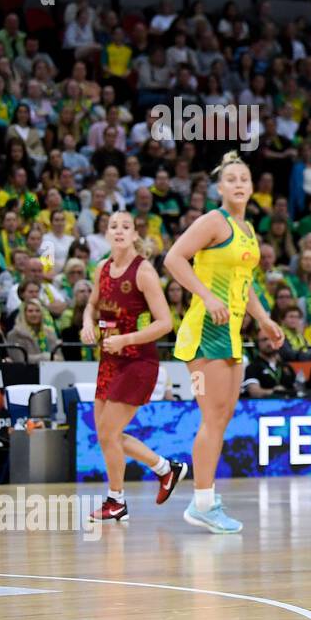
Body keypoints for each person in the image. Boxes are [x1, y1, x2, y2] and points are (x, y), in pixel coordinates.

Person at [165, 151, 284, 533]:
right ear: (219, 187)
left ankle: (206, 499)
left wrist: (263, 319)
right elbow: (174, 259)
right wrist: (206, 295)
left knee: (222, 417)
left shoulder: (248, 230)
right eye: (231, 179)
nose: (239, 184)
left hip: (231, 333)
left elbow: (245, 285)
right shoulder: (212, 221)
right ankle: (202, 502)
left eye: (244, 179)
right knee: (212, 417)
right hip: (204, 331)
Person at [83, 212, 184, 521]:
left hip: (138, 361)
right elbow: (91, 304)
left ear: (134, 233)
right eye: (113, 225)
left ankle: (117, 500)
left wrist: (126, 340)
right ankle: (166, 469)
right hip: (109, 360)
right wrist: (88, 324)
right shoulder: (101, 268)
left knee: (109, 432)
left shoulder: (144, 272)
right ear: (106, 232)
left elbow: (166, 323)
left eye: (125, 226)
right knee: (105, 435)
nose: (119, 230)